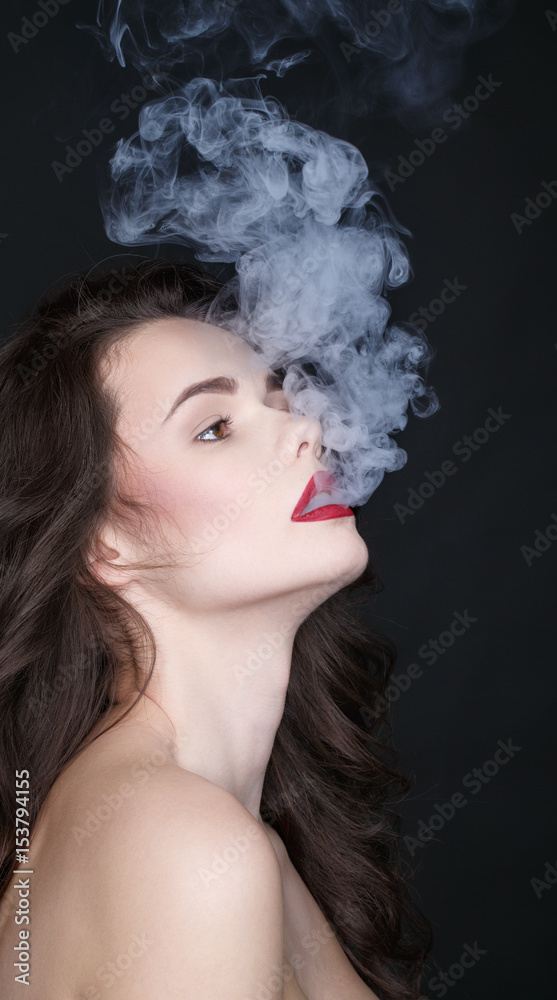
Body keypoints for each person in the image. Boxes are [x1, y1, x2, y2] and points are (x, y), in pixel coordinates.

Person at [0, 258, 432, 999]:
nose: (306, 430)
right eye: (215, 427)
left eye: (281, 399)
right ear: (103, 545)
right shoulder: (185, 845)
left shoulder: (229, 835)